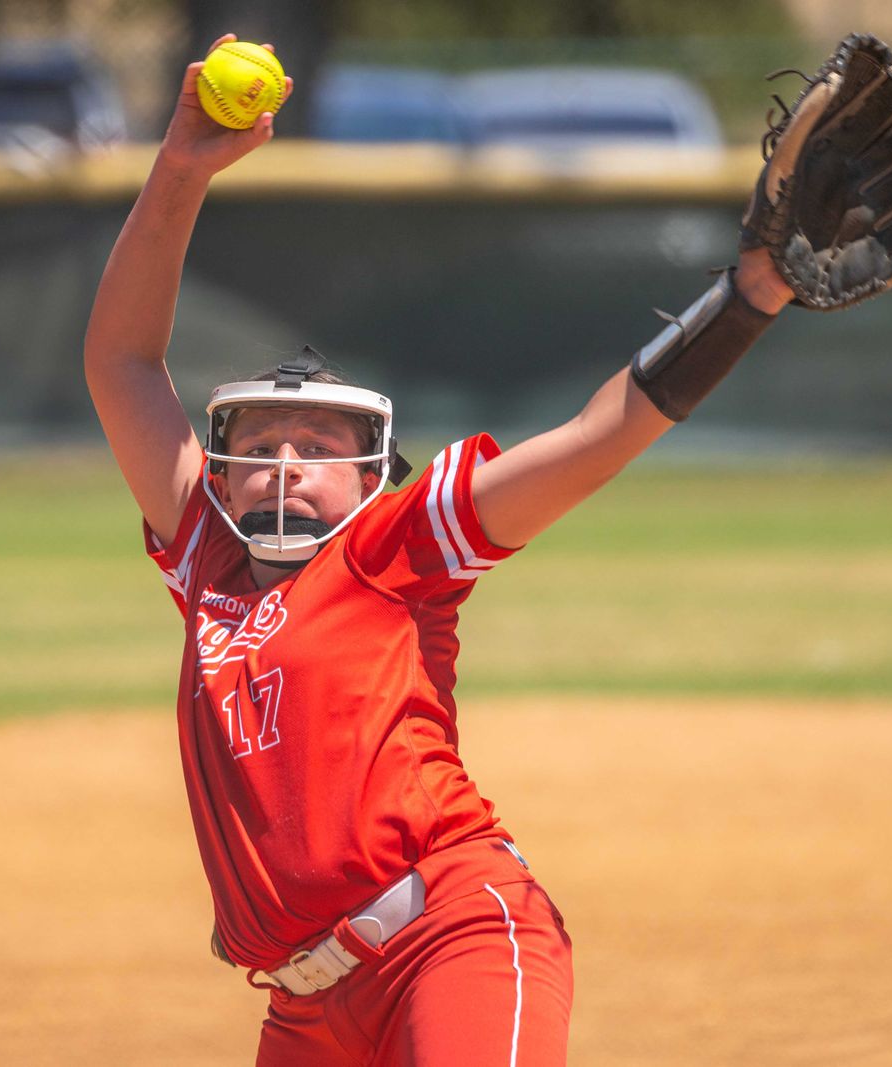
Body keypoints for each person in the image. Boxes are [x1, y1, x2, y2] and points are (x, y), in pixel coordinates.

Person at [84, 33, 797, 1067]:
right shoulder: (207, 566)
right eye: (260, 445)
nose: (285, 461)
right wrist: (180, 169)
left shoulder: (389, 547)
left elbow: (595, 439)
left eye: (319, 446)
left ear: (373, 472)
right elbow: (120, 359)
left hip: (450, 936)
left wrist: (747, 301)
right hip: (300, 1006)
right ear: (222, 474)